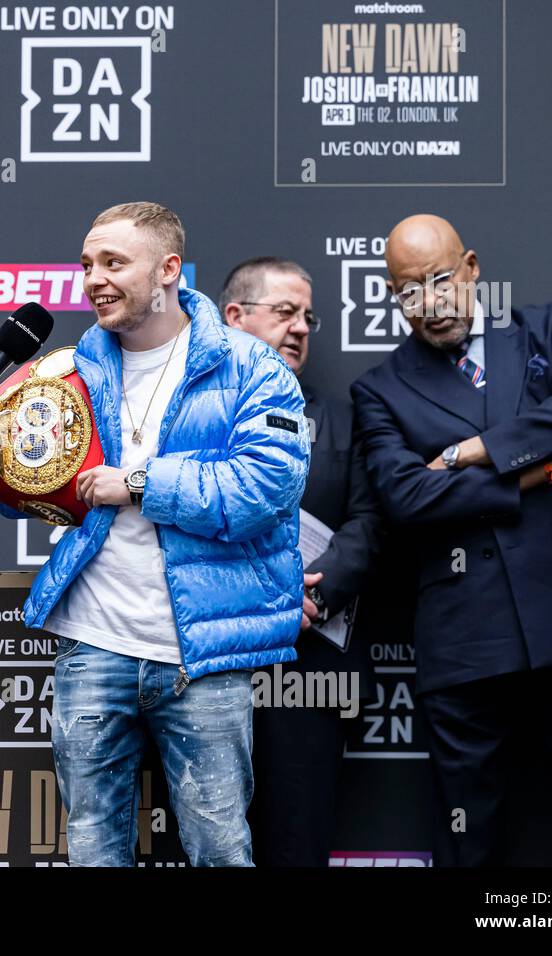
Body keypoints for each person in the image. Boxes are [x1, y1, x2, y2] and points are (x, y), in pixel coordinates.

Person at [0, 202, 309, 866]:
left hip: (200, 656)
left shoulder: (251, 368)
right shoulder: (69, 368)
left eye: (114, 262)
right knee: (92, 847)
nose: (93, 279)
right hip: (92, 644)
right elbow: (60, 496)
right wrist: (0, 480)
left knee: (220, 849)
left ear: (168, 270)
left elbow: (266, 490)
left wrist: (142, 482)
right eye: (87, 264)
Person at [350, 213, 552, 865]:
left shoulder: (548, 326)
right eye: (409, 291)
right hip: (469, 637)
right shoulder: (377, 391)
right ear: (392, 298)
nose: (429, 304)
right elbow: (407, 497)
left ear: (471, 267)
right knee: (469, 831)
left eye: (440, 279)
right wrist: (538, 469)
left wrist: (466, 452)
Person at [221, 256, 383, 867]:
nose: (301, 328)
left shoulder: (344, 421)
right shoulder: (184, 414)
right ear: (234, 318)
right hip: (206, 668)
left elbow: (370, 523)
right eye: (285, 312)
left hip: (306, 673)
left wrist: (312, 599)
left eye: (308, 317)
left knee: (297, 841)